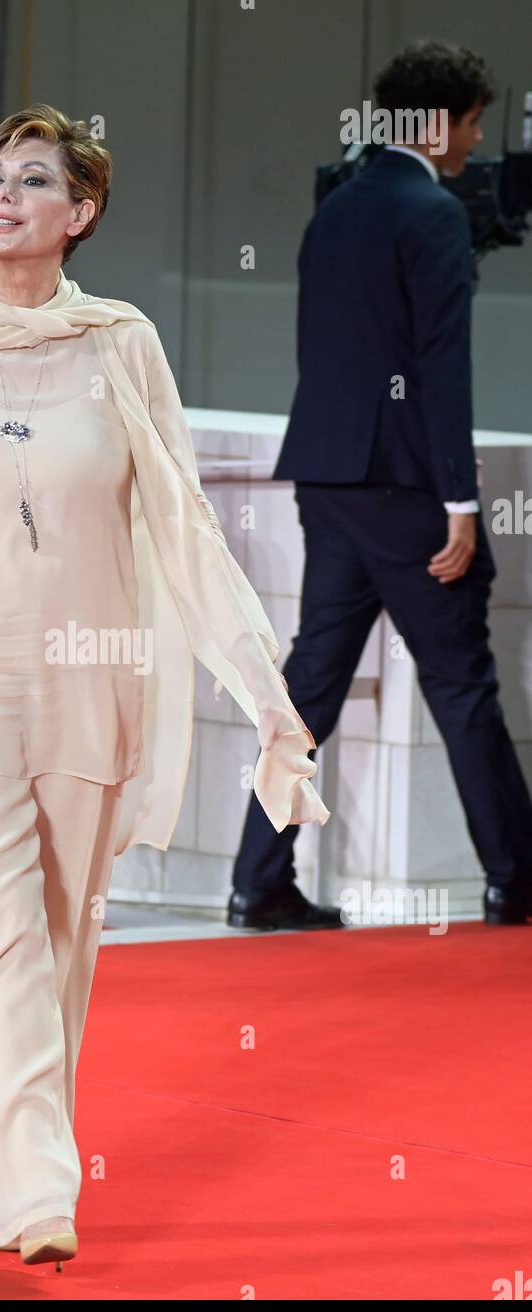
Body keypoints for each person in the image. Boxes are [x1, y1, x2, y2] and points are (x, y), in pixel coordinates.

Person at [0, 103, 329, 1268]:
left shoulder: (121, 341)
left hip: (82, 679)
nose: (0, 196)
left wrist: (266, 698)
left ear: (77, 216)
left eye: (32, 182)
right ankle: (39, 1184)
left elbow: (183, 531)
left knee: (47, 934)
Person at [228, 40, 532, 933]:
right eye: (474, 122)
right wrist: (461, 503)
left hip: (326, 476)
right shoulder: (432, 215)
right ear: (440, 124)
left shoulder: (337, 211)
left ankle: (257, 882)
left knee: (311, 682)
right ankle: (517, 879)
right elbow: (442, 366)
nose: (477, 141)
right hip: (402, 490)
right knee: (464, 682)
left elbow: (320, 353)